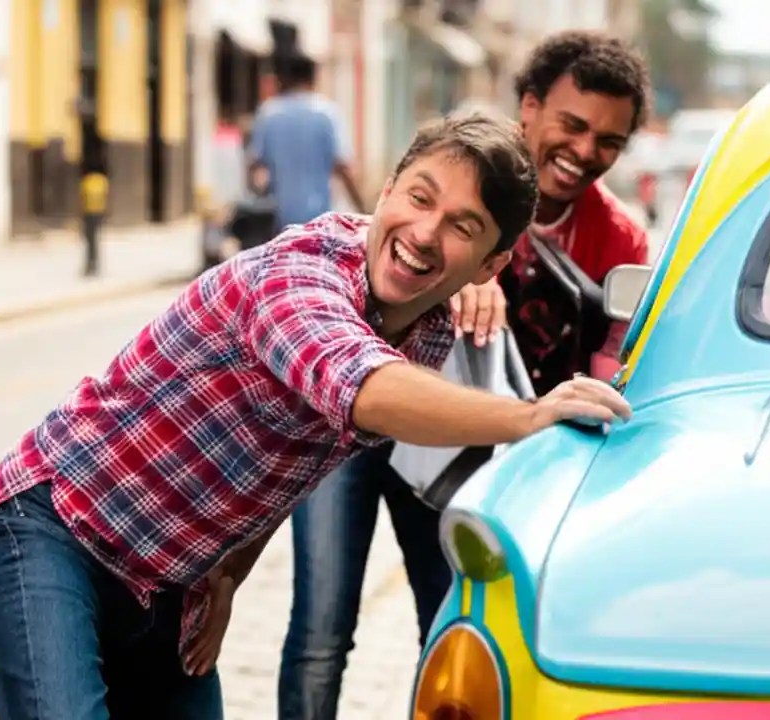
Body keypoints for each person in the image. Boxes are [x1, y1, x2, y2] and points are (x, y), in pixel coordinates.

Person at [0, 111, 631, 720]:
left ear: (490, 264)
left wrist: (228, 574)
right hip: (51, 527)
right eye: (420, 197)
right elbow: (361, 387)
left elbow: (303, 454)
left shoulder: (427, 332)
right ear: (386, 192)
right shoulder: (300, 272)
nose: (425, 234)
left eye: (462, 227)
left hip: (172, 586)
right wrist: (526, 417)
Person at [277, 29, 652, 720]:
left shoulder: (618, 239)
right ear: (530, 107)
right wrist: (451, 282)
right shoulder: (471, 158)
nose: (584, 151)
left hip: (467, 440)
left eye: (609, 141)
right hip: (357, 407)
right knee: (321, 629)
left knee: (451, 622)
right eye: (572, 124)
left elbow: (616, 361)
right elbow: (397, 238)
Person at [248, 53, 367, 235]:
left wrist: (261, 195)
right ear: (313, 77)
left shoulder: (269, 114)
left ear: (284, 79)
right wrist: (362, 211)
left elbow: (254, 168)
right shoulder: (327, 113)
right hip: (318, 221)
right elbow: (344, 168)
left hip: (279, 222)